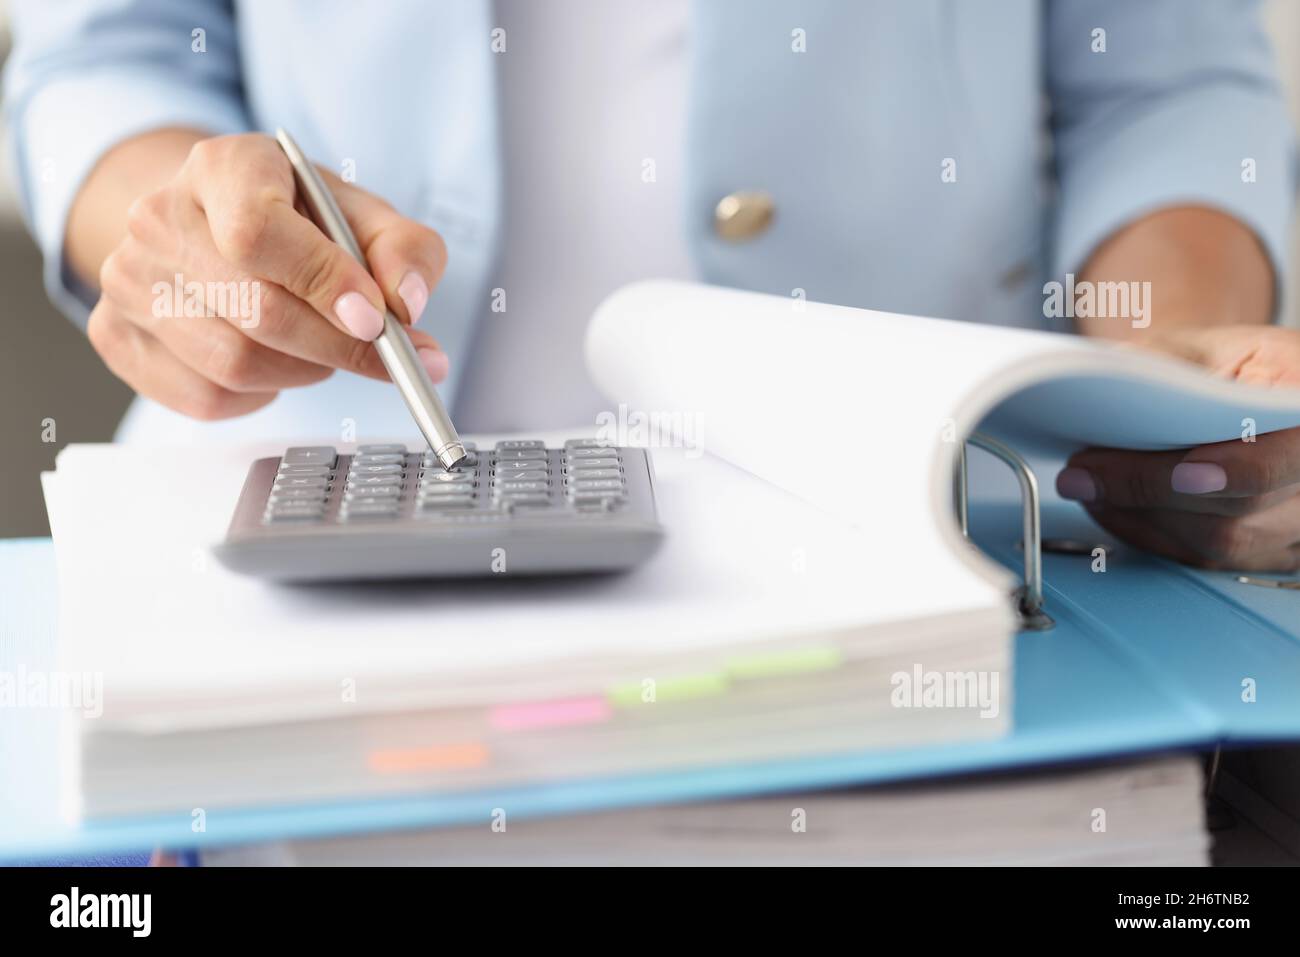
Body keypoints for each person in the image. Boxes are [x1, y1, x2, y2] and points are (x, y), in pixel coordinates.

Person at [4, 0, 1298, 570]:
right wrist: (177, 227)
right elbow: (102, 53)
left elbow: (1165, 77)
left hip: (942, 524)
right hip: (297, 494)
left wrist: (1157, 344)